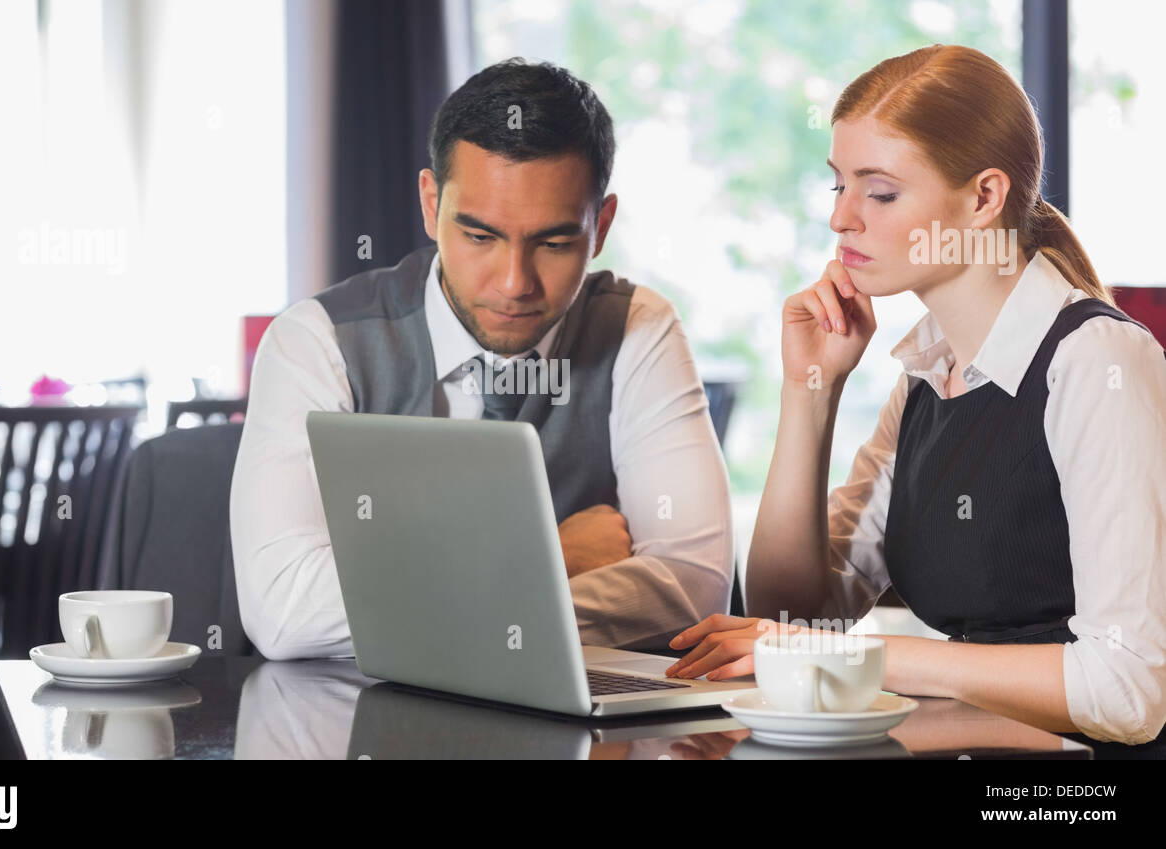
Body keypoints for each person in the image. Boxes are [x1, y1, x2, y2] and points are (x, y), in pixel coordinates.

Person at [666, 45, 1166, 753]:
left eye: (880, 192)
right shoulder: (928, 373)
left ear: (984, 197)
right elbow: (793, 613)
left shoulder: (1097, 360)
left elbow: (1127, 690)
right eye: (837, 185)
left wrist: (863, 657)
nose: (842, 218)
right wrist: (811, 391)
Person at [231, 59, 733, 660]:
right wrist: (546, 553)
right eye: (479, 237)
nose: (515, 283)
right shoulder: (318, 341)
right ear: (429, 204)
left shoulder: (635, 328)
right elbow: (285, 615)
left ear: (600, 227)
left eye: (553, 242)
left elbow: (692, 592)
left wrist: (417, 606)